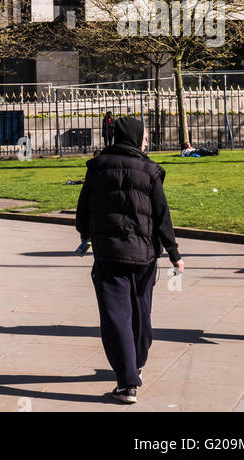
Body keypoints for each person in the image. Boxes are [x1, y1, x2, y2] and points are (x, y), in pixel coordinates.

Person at [75, 115, 184, 405]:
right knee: (140, 311)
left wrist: (88, 235)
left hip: (109, 253)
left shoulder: (97, 167)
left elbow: (82, 212)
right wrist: (173, 252)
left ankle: (127, 381)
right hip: (144, 254)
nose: (147, 141)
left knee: (116, 316)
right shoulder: (149, 170)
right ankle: (135, 364)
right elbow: (162, 215)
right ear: (136, 138)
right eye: (145, 136)